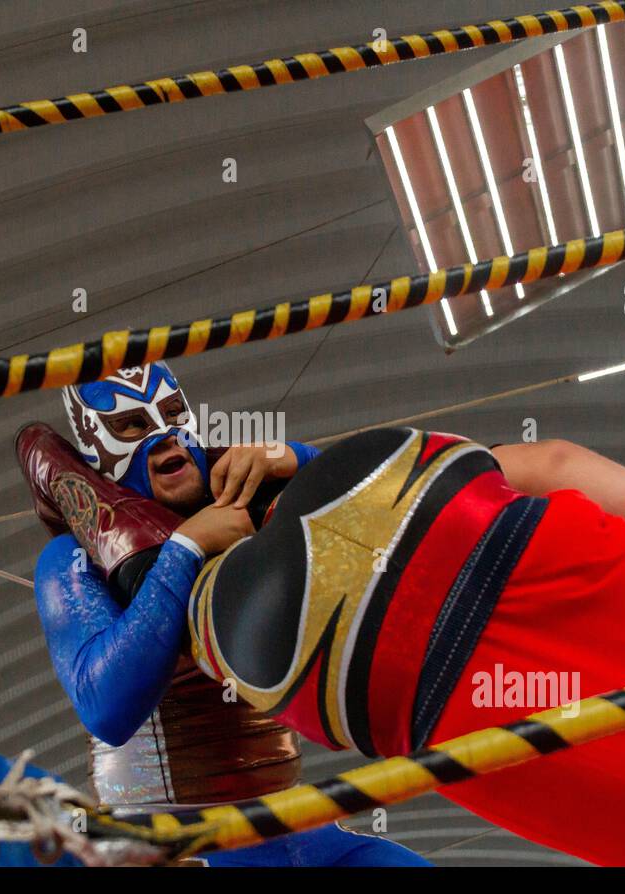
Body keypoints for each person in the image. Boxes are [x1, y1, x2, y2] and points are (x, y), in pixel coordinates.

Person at [188, 425, 625, 865]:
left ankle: (271, 476)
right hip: (339, 665)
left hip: (412, 491)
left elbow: (555, 461)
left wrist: (332, 468)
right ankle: (153, 563)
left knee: (241, 487)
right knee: (166, 596)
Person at [24, 362, 429, 866]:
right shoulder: (72, 558)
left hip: (288, 822)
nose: (166, 437)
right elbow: (105, 705)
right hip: (171, 838)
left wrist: (297, 458)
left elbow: (403, 515)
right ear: (95, 457)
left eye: (174, 414)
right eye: (132, 425)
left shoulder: (247, 509)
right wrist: (185, 549)